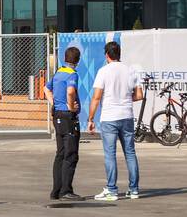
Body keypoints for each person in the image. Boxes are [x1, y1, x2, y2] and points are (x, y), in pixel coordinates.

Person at [88, 41, 143, 201]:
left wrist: (91, 118)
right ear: (119, 54)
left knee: (110, 154)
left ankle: (111, 189)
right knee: (130, 153)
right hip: (126, 116)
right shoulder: (131, 70)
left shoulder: (103, 71)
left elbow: (97, 97)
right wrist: (124, 98)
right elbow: (139, 95)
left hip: (110, 117)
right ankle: (134, 190)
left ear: (107, 55)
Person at [44, 45, 82, 202]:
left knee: (60, 153)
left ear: (65, 59)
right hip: (68, 117)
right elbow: (71, 91)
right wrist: (71, 106)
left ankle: (56, 190)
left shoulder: (58, 72)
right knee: (70, 153)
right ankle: (66, 190)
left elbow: (46, 89)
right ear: (77, 60)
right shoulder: (72, 74)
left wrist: (55, 103)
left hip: (58, 115)